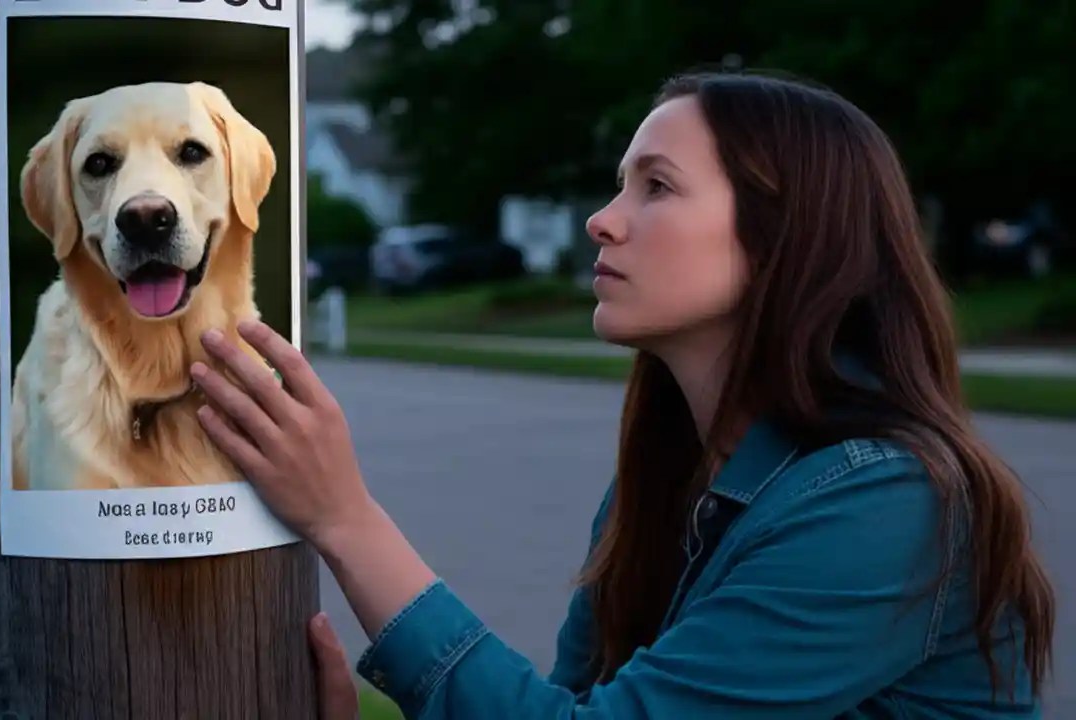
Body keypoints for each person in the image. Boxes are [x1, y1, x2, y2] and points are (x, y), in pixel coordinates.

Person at [187, 70, 1056, 718]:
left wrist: (345, 518)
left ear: (784, 236)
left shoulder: (887, 504)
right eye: (621, 182)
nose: (604, 218)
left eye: (658, 186)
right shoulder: (670, 482)